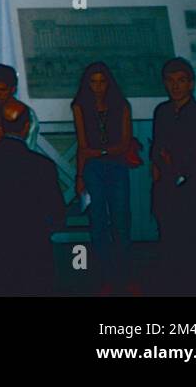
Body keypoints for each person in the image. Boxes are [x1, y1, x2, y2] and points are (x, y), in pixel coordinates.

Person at [150, 57, 196, 295]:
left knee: (191, 245)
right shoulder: (161, 111)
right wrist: (157, 164)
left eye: (181, 81)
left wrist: (176, 166)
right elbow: (158, 146)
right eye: (171, 81)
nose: (176, 86)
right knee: (168, 242)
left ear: (191, 84)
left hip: (192, 190)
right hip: (165, 187)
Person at [0, 118, 66, 296]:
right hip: (35, 249)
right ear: (27, 127)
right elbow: (57, 214)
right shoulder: (43, 165)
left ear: (1, 128)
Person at [71, 62, 134, 295]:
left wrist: (101, 152)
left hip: (116, 166)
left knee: (121, 221)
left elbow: (125, 144)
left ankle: (124, 276)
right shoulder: (80, 106)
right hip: (93, 168)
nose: (98, 87)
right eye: (93, 82)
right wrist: (79, 175)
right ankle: (105, 276)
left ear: (109, 82)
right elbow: (82, 146)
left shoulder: (121, 105)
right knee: (98, 223)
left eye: (102, 81)